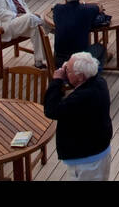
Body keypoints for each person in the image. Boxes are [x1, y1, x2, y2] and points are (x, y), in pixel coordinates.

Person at [43, 52, 113, 180]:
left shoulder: (81, 98)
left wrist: (57, 81)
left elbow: (51, 110)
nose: (64, 71)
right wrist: (67, 75)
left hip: (87, 161)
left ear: (80, 76)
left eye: (67, 70)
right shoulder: (99, 82)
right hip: (99, 150)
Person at [52, 0, 107, 66]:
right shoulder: (88, 9)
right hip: (79, 59)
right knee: (100, 48)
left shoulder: (57, 9)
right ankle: (93, 74)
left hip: (59, 58)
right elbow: (99, 8)